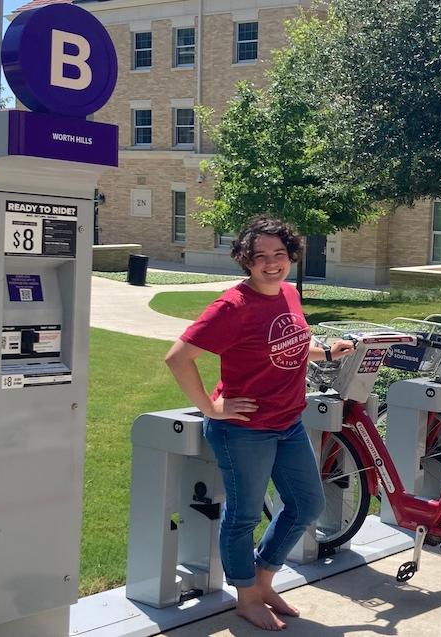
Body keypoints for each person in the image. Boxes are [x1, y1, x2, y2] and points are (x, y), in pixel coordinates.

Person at [165, 216, 353, 631]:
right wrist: (212, 409)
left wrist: (326, 354)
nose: (271, 264)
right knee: (243, 517)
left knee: (307, 504)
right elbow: (178, 358)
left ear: (291, 257)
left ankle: (263, 580)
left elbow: (289, 348)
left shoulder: (288, 292)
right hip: (243, 430)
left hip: (288, 422)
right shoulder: (232, 307)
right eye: (260, 257)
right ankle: (246, 597)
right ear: (245, 261)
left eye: (279, 255)